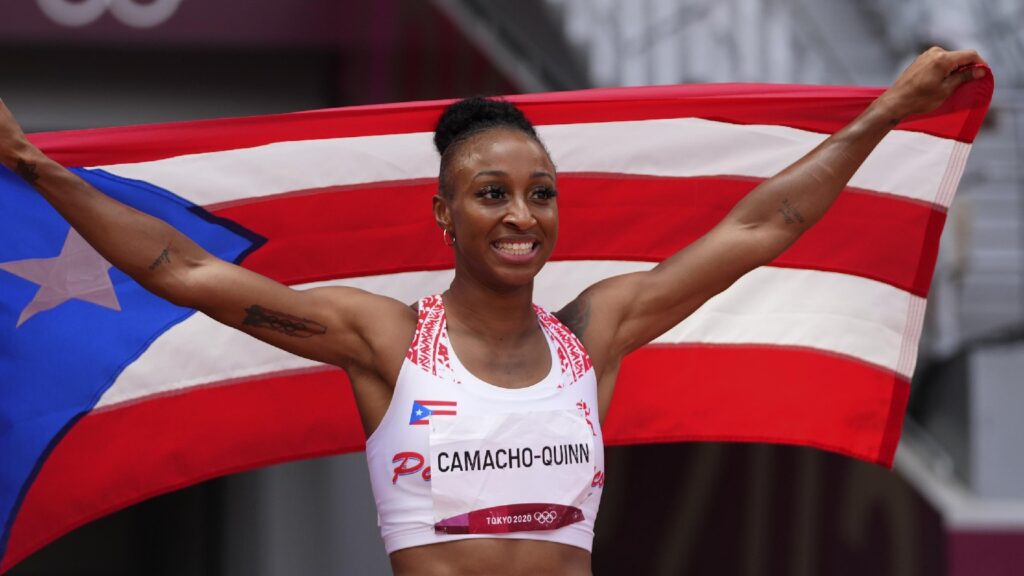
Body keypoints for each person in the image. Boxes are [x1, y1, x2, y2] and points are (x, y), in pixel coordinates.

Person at [0, 46, 986, 575]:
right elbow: (178, 266)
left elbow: (762, 226)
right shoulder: (383, 341)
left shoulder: (597, 330)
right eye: (490, 192)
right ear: (443, 214)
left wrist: (882, 116)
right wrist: (37, 168)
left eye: (540, 193)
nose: (521, 214)